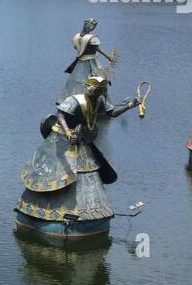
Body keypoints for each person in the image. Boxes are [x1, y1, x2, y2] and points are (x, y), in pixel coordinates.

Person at [15, 75, 140, 239]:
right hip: (62, 140)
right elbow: (60, 115)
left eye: (100, 92)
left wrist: (130, 105)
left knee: (87, 172)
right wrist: (68, 133)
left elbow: (112, 113)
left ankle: (89, 216)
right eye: (95, 91)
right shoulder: (75, 100)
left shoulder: (100, 101)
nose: (97, 94)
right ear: (88, 88)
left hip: (82, 140)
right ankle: (41, 214)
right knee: (57, 172)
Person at [59, 18, 114, 100]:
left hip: (80, 62)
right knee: (99, 80)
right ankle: (103, 102)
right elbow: (97, 49)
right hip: (91, 62)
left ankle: (68, 99)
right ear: (91, 27)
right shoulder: (92, 38)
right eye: (93, 26)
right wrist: (108, 57)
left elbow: (75, 47)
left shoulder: (77, 36)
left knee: (76, 81)